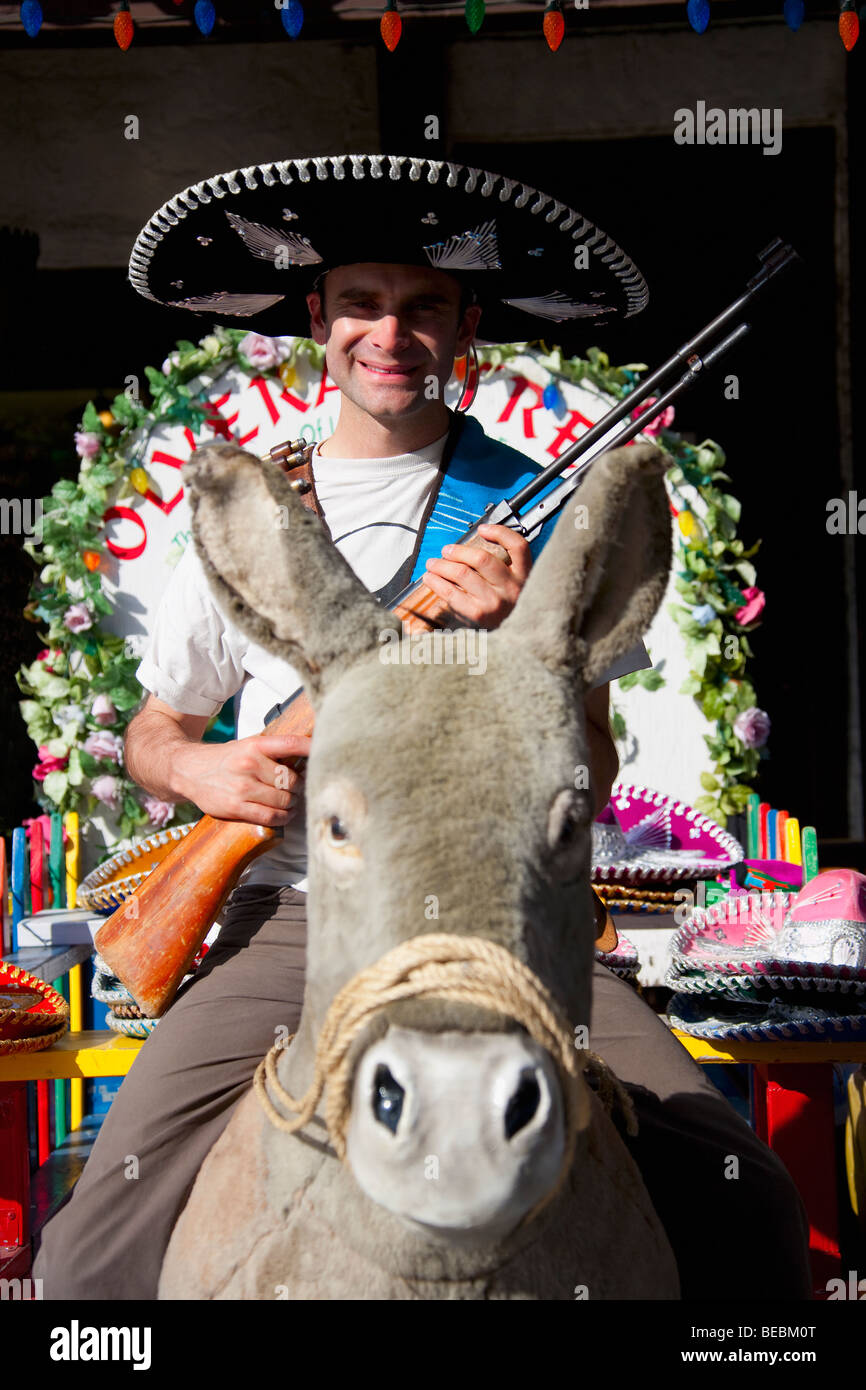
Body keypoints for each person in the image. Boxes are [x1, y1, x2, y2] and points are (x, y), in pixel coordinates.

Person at [35, 154, 811, 1301]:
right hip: (300, 919)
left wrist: (515, 656)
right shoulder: (263, 504)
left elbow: (586, 765)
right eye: (360, 303)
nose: (387, 332)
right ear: (318, 318)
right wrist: (210, 768)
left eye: (421, 307)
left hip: (512, 922)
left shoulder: (523, 512)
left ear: (465, 328)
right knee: (89, 1256)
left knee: (747, 1200)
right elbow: (155, 733)